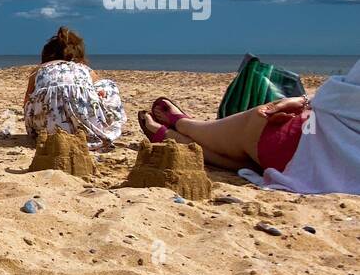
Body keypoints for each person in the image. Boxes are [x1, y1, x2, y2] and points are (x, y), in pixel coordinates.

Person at [137, 57, 360, 194]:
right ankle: (174, 138)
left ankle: (184, 125)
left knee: (252, 122)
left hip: (293, 144)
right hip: (326, 169)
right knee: (246, 163)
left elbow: (337, 102)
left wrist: (303, 101)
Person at [23, 27, 124, 147]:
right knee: (108, 85)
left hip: (46, 129)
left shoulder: (38, 70)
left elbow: (26, 102)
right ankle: (101, 126)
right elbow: (98, 88)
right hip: (84, 128)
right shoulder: (83, 69)